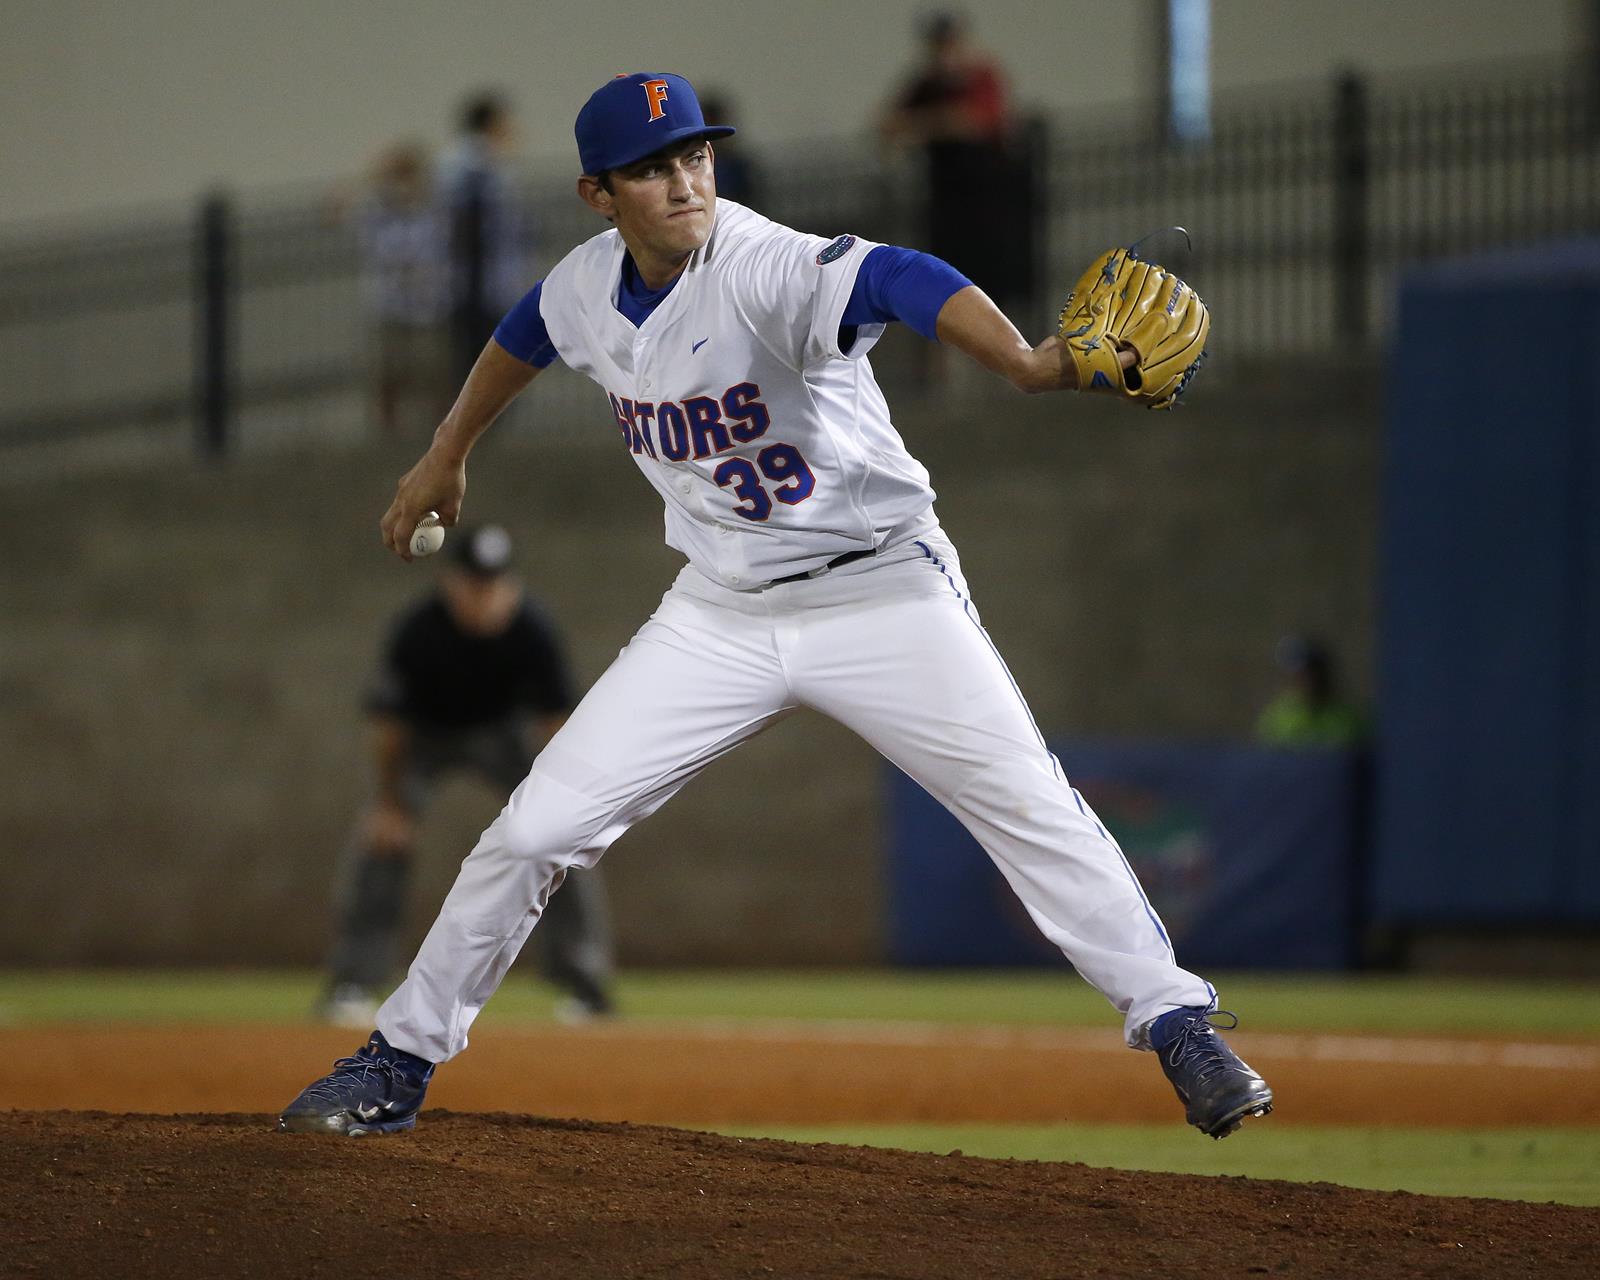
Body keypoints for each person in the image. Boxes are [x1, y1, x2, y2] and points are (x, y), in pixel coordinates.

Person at [278, 72, 1271, 1141]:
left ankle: (1178, 1022)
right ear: (597, 193)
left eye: (695, 154)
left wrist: (1026, 363)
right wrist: (445, 451)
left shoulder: (763, 264)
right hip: (719, 610)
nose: (684, 178)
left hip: (881, 586)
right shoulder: (582, 286)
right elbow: (524, 331)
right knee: (532, 830)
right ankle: (398, 1057)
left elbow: (896, 275)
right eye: (653, 167)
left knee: (1027, 800)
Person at [317, 523, 613, 1029]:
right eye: (474, 583)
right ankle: (352, 981)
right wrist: (391, 803)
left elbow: (556, 725)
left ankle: (585, 984)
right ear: (451, 583)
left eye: (494, 583)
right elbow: (390, 727)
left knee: (564, 839)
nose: (485, 596)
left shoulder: (532, 629)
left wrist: (568, 802)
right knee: (382, 840)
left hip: (504, 736)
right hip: (425, 740)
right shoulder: (420, 629)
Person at [879, 12, 1020, 307]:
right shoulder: (926, 86)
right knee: (945, 286)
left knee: (995, 286)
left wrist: (924, 126)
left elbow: (973, 121)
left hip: (988, 201)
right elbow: (887, 127)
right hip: (945, 202)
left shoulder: (981, 77)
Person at [352, 142, 453, 436]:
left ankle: (440, 433)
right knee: (388, 370)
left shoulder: (434, 212)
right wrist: (374, 176)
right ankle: (388, 432)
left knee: (432, 370)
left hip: (428, 308)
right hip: (388, 306)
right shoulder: (377, 212)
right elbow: (335, 212)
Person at [438, 91, 530, 389]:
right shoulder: (475, 162)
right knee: (483, 352)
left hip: (481, 276)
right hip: (475, 276)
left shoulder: (464, 160)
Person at [1256, 635, 1369, 748]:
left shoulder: (1348, 719)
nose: (1307, 679)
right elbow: (1266, 760)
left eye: (1312, 671)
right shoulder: (1276, 719)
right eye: (1299, 673)